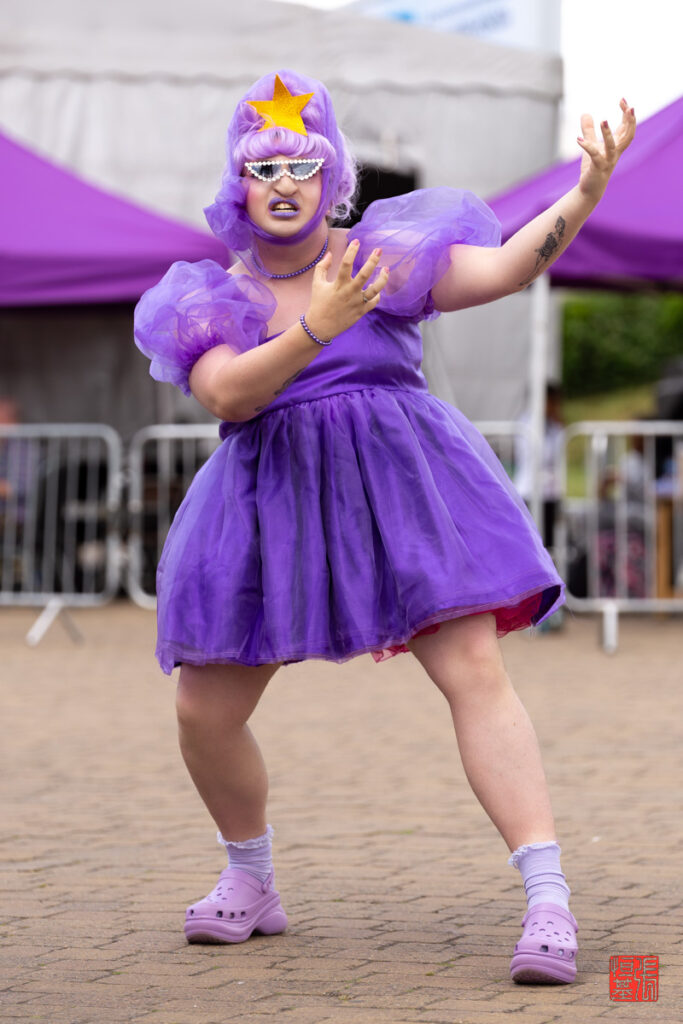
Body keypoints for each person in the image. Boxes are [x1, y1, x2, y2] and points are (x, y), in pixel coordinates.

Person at [133, 71, 635, 985]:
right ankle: (250, 879)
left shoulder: (384, 257)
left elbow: (507, 267)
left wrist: (584, 193)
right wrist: (313, 329)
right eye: (264, 165)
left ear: (332, 181)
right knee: (204, 710)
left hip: (401, 490)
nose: (284, 181)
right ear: (238, 185)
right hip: (266, 505)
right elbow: (227, 393)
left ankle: (548, 897)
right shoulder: (211, 294)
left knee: (474, 673)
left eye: (304, 163)